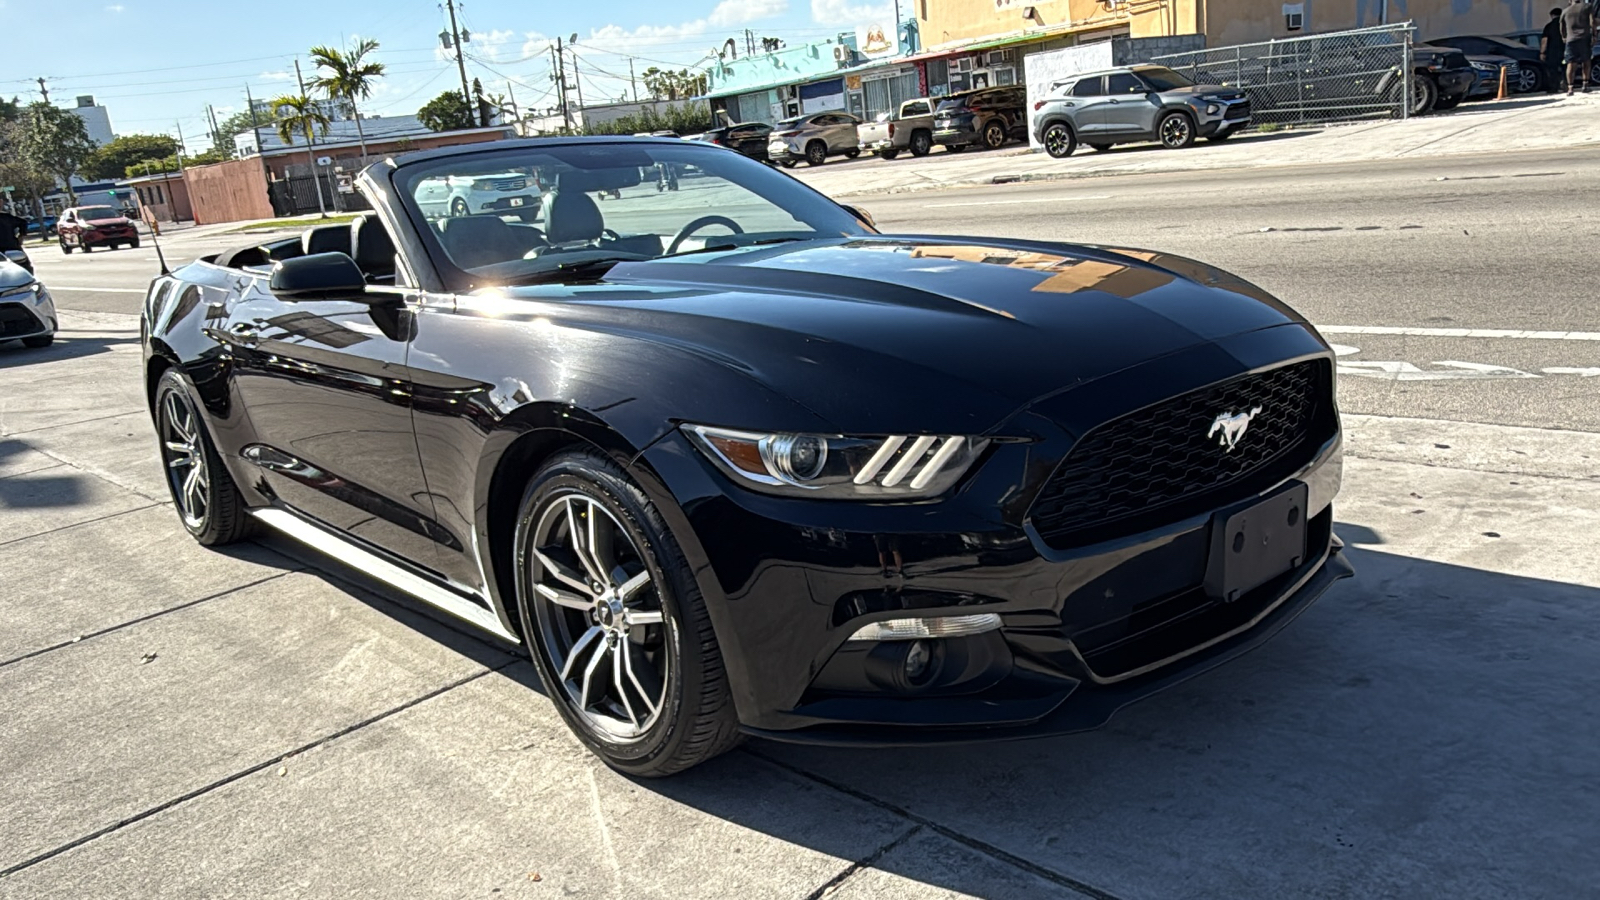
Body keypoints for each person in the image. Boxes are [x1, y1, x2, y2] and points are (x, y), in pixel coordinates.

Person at [1560, 0, 1595, 94]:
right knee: (1586, 61)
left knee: (1571, 63)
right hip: (1584, 37)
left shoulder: (1565, 11)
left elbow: (1561, 26)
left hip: (1570, 39)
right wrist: (1594, 35)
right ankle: (1585, 85)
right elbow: (1592, 21)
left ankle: (1570, 88)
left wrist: (1564, 37)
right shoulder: (1587, 7)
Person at [1543, 7, 1567, 92]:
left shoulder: (1549, 26)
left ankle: (1554, 87)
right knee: (1565, 68)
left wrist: (1542, 52)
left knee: (1553, 70)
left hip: (1552, 51)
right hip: (1565, 50)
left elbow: (1544, 40)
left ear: (1552, 15)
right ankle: (1566, 84)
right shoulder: (1565, 25)